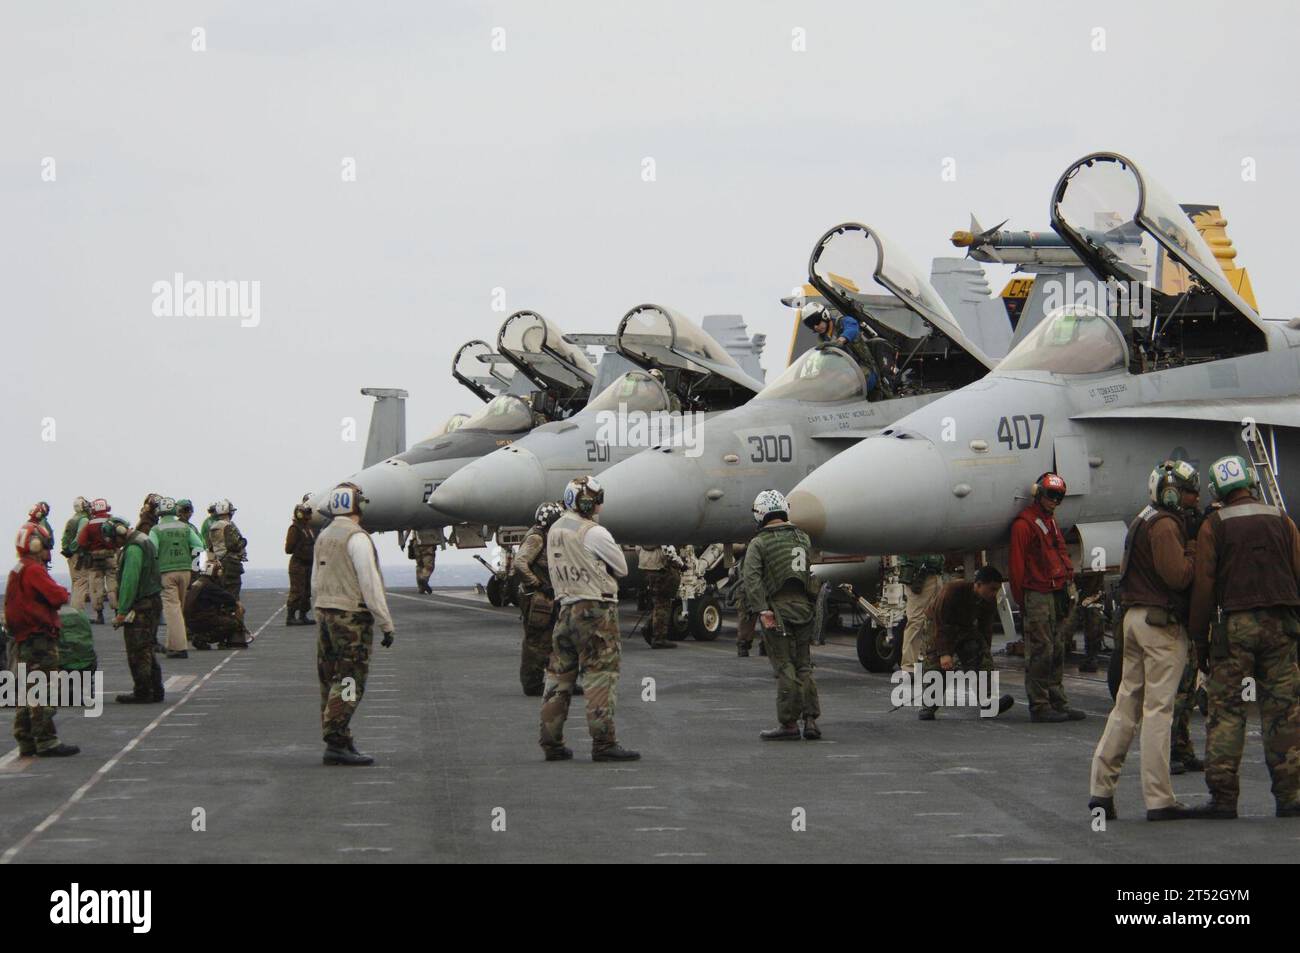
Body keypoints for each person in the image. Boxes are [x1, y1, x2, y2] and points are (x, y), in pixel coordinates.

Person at [1187, 455, 1300, 819]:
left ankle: (1223, 799)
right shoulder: (1281, 518)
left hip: (1233, 630)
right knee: (1284, 711)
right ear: (1250, 481)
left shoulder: (1213, 524)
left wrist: (1199, 639)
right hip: (1281, 625)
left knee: (1227, 712)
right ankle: (1290, 797)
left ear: (1217, 489)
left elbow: (1204, 584)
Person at [1088, 461, 1200, 821]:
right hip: (1159, 624)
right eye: (1186, 490)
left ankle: (1101, 790)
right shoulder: (1166, 525)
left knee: (1125, 706)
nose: (1192, 497)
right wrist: (1197, 553)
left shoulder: (1143, 518)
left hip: (1134, 620)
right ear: (1170, 491)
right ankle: (1159, 798)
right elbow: (1178, 575)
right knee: (1157, 711)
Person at [539, 476, 639, 762]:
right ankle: (604, 743)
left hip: (564, 610)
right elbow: (621, 567)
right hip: (595, 610)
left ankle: (551, 744)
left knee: (558, 679)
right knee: (599, 675)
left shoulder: (555, 529)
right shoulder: (593, 532)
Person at [312, 482, 395, 766]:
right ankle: (335, 740)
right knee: (349, 679)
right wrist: (386, 623)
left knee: (330, 678)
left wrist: (320, 608)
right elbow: (370, 584)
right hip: (351, 618)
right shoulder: (357, 538)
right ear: (357, 505)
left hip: (324, 613)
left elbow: (315, 580)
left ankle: (340, 737)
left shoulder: (323, 535)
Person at [742, 488, 822, 741]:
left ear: (761, 514)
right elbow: (813, 572)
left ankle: (788, 723)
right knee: (804, 665)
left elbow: (751, 579)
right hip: (805, 608)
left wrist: (762, 609)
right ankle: (810, 721)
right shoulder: (802, 538)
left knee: (784, 665)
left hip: (777, 610)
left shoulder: (760, 543)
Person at [1009, 472, 1085, 723]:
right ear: (1039, 495)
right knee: (1041, 650)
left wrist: (1068, 580)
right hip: (1038, 594)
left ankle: (1057, 701)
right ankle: (1039, 705)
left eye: (1059, 497)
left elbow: (1059, 551)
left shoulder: (1049, 521)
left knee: (1057, 648)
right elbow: (1017, 567)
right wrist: (1024, 602)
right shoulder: (1024, 524)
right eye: (1051, 495)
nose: (1054, 501)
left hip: (1056, 592)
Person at [4, 522, 79, 757]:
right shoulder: (34, 570)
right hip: (39, 638)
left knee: (28, 689)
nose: (48, 552)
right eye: (46, 546)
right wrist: (64, 593)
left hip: (24, 637)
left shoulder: (18, 568)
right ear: (36, 545)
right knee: (43, 688)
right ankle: (46, 740)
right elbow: (57, 595)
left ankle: (26, 739)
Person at [917, 566, 1015, 720]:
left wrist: (985, 652)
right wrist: (945, 654)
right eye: (991, 589)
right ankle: (929, 705)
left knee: (979, 655)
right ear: (978, 584)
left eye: (997, 589)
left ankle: (987, 701)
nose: (993, 593)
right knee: (936, 663)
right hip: (937, 624)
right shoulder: (953, 590)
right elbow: (942, 623)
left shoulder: (989, 601)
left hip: (964, 626)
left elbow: (985, 629)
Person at [102, 516, 165, 705]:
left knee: (137, 650)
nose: (114, 545)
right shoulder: (142, 539)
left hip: (142, 605)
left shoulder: (133, 549)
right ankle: (156, 689)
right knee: (146, 648)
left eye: (113, 540)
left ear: (119, 534)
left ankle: (144, 691)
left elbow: (130, 581)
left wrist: (122, 611)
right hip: (152, 602)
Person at [514, 501, 562, 696]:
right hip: (539, 598)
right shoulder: (537, 537)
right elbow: (520, 563)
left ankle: (557, 681)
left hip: (546, 597)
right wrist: (538, 583)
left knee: (553, 640)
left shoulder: (543, 535)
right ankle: (532, 684)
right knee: (537, 642)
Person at [150, 497, 205, 658]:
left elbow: (152, 550)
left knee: (171, 609)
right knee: (178, 608)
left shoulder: (156, 530)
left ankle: (180, 648)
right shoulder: (185, 528)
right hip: (185, 571)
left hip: (166, 572)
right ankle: (172, 644)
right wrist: (195, 568)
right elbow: (199, 546)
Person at [803, 305, 892, 400]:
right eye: (810, 325)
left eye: (815, 321)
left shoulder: (843, 322)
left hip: (864, 370)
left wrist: (840, 341)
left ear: (825, 315)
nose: (815, 327)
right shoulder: (822, 339)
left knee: (840, 385)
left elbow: (852, 329)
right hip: (841, 375)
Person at [184, 565, 250, 649]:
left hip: (190, 620)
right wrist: (237, 604)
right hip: (202, 619)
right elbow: (229, 599)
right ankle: (203, 638)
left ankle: (199, 635)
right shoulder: (210, 586)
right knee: (233, 624)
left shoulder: (198, 582)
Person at [899, 554, 946, 670]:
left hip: (934, 575)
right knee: (916, 622)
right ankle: (908, 666)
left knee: (936, 619)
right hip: (920, 576)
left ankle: (932, 662)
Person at [75, 498, 117, 624]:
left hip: (94, 559)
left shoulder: (89, 524)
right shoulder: (112, 522)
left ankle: (100, 615)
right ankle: (117, 612)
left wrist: (90, 547)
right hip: (110, 557)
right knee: (113, 585)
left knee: (96, 588)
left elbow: (81, 541)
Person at [637, 545, 682, 649]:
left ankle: (649, 628)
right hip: (660, 568)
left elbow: (637, 549)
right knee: (663, 603)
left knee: (657, 601)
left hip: (647, 567)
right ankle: (659, 638)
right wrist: (680, 564)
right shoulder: (661, 534)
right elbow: (668, 550)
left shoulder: (644, 538)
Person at [207, 499, 247, 598]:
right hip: (230, 564)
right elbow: (233, 546)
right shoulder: (227, 526)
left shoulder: (213, 527)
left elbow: (210, 547)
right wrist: (243, 542)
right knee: (233, 593)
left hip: (218, 563)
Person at [285, 504, 316, 624]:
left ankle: (303, 616)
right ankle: (290, 617)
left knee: (307, 591)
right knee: (297, 591)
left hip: (308, 564)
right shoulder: (295, 528)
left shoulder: (308, 528)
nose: (308, 515)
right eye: (306, 513)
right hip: (298, 564)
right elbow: (288, 549)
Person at [60, 497, 90, 610]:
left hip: (70, 555)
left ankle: (74, 609)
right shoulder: (84, 520)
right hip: (78, 555)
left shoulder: (72, 519)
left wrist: (68, 551)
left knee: (75, 582)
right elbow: (79, 537)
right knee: (81, 583)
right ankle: (77, 612)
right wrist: (74, 549)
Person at [407, 529, 439, 594]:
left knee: (420, 565)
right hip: (428, 541)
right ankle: (423, 579)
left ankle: (421, 588)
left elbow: (408, 529)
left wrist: (403, 542)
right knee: (429, 566)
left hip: (416, 543)